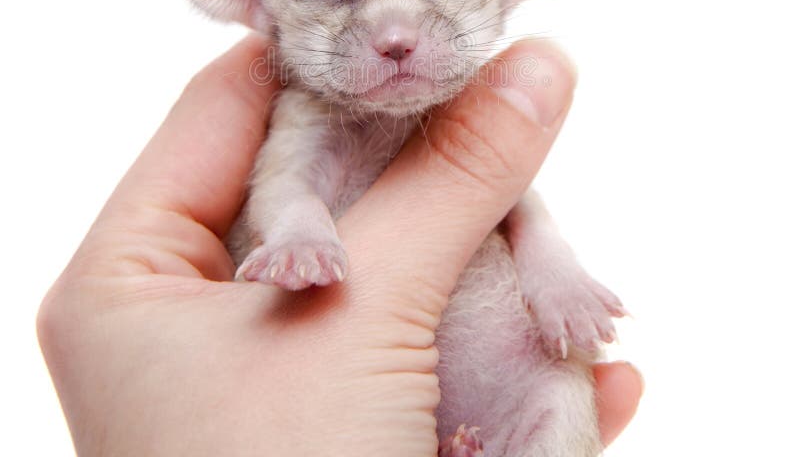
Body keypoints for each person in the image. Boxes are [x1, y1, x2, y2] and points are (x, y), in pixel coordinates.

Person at [37, 36, 642, 456]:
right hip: (328, 401)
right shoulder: (301, 109)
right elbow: (287, 188)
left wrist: (554, 276)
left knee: (564, 404)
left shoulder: (456, 92)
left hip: (517, 389)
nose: (396, 35)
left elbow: (522, 210)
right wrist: (300, 229)